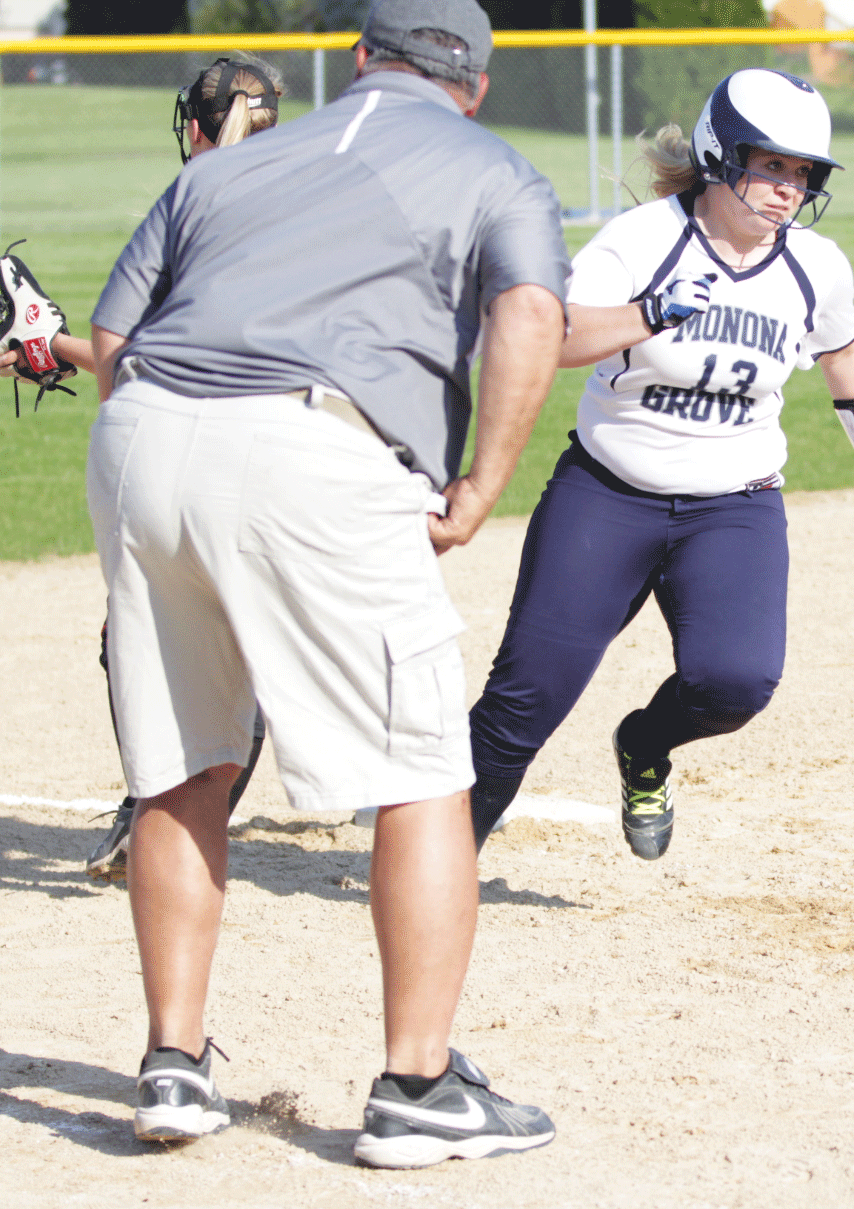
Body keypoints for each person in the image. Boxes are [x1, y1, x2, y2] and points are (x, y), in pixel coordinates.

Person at [86, 0, 569, 1168]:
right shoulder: (497, 168)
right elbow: (530, 313)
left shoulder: (228, 167)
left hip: (145, 438)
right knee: (418, 771)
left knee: (184, 763)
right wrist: (479, 484)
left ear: (358, 61)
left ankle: (174, 1066)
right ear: (475, 85)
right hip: (314, 449)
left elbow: (110, 346)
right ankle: (418, 1084)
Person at [468, 68, 854, 861]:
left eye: (802, 173)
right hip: (609, 494)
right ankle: (439, 854)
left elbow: (843, 349)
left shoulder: (816, 266)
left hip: (732, 506)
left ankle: (645, 745)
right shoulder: (643, 240)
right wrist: (647, 311)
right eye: (771, 165)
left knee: (735, 682)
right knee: (525, 697)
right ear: (721, 154)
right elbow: (552, 337)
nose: (789, 189)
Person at [0, 55, 283, 882]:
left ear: (197, 127)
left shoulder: (187, 206)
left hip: (195, 455)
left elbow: (132, 363)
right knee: (248, 629)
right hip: (291, 453)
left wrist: (45, 344)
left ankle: (159, 806)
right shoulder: (299, 201)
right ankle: (185, 802)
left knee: (145, 630)